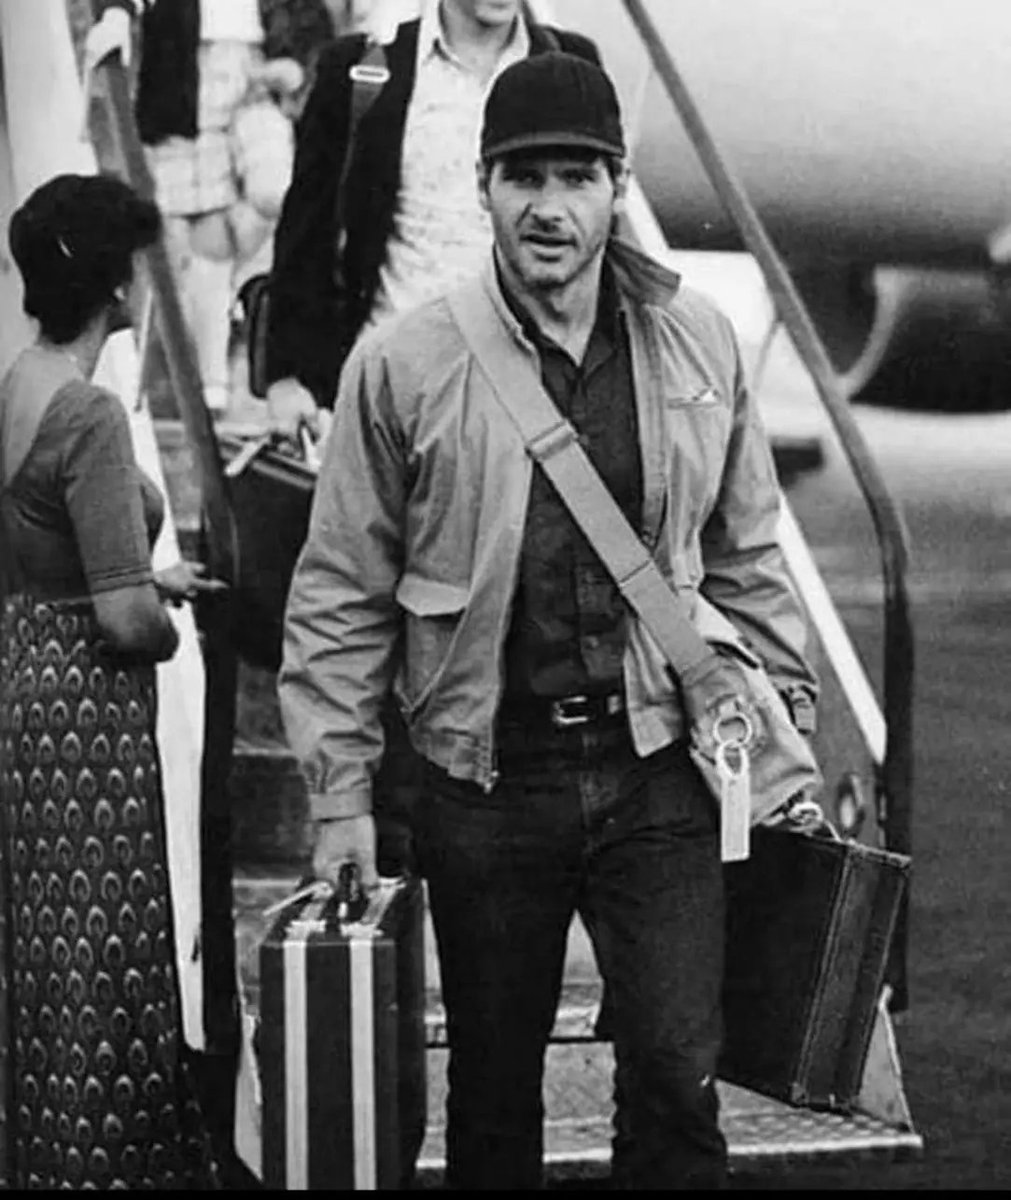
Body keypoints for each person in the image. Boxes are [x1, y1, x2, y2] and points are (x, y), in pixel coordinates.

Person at [278, 51, 820, 1190]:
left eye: (577, 177)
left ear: (617, 186)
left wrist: (787, 737)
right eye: (523, 176)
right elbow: (339, 597)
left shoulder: (697, 340)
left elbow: (749, 554)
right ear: (482, 186)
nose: (549, 206)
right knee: (492, 1094)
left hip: (659, 768)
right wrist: (339, 800)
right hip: (487, 782)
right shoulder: (403, 365)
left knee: (677, 1072)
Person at [0, 172, 227, 1189]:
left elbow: (49, 546)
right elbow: (122, 617)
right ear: (117, 282)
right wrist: (168, 624)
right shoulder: (90, 413)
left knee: (47, 956)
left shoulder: (19, 383)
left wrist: (143, 573)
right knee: (107, 960)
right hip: (85, 718)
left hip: (22, 677)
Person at [264, 0, 600, 439]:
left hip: (525, 398)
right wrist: (286, 375)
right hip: (391, 386)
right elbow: (307, 228)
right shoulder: (361, 67)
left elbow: (596, 229)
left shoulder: (571, 65)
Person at [85, 0, 322, 415]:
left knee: (275, 190)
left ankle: (243, 292)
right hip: (186, 69)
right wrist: (118, 15)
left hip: (257, 69)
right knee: (203, 232)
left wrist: (297, 63)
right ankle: (211, 380)